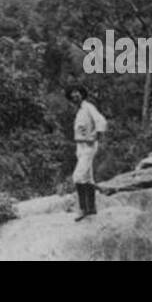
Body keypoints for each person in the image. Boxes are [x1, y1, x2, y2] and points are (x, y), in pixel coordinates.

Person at [65, 85, 106, 220]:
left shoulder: (88, 107)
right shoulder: (79, 111)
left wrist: (95, 136)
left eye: (77, 93)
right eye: (72, 95)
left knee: (78, 176)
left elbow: (101, 121)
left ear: (82, 94)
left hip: (88, 146)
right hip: (80, 146)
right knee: (88, 177)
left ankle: (82, 209)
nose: (75, 96)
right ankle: (92, 208)